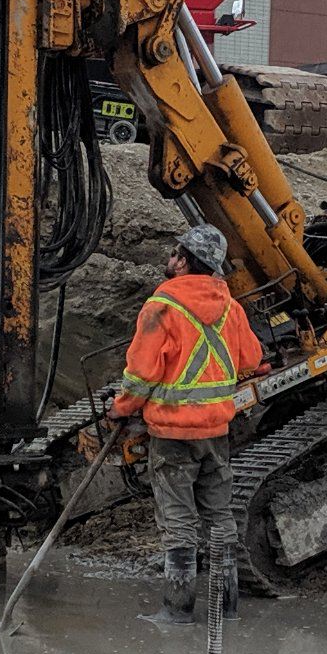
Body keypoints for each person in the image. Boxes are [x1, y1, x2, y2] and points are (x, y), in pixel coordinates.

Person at [112, 223, 264, 618]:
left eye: (174, 252)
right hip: (216, 432)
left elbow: (141, 374)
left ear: (183, 262)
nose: (170, 258)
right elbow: (251, 359)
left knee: (178, 520)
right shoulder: (231, 307)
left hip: (172, 435)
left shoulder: (161, 307)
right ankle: (226, 607)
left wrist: (122, 409)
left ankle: (177, 611)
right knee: (219, 517)